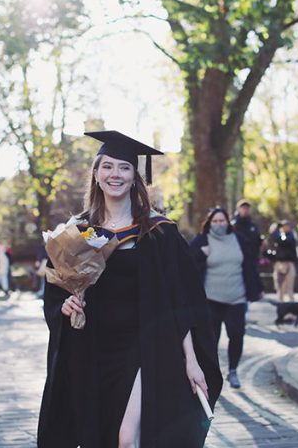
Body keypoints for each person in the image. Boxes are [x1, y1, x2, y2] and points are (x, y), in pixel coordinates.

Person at [38, 130, 222, 448]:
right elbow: (56, 292)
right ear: (96, 174)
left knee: (127, 439)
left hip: (146, 348)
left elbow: (182, 300)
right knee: (103, 438)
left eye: (124, 168)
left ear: (134, 177)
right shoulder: (77, 233)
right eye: (107, 166)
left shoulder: (158, 232)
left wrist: (191, 360)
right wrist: (65, 306)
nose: (115, 174)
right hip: (92, 350)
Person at [189, 207, 263, 390]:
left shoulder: (238, 240)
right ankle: (212, 374)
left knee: (237, 335)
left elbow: (249, 266)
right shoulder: (202, 240)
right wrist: (201, 254)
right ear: (209, 223)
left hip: (236, 298)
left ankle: (233, 370)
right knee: (211, 339)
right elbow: (187, 265)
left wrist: (256, 289)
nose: (219, 224)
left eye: (222, 221)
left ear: (228, 222)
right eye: (215, 221)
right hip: (210, 299)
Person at [268, 220, 298, 303]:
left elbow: (284, 241)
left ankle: (292, 310)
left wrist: (275, 231)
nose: (284, 228)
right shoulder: (279, 236)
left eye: (286, 226)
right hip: (279, 264)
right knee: (280, 288)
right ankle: (281, 309)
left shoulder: (291, 235)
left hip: (289, 264)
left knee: (289, 289)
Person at [232, 199, 263, 264]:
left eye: (247, 208)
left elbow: (258, 240)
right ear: (238, 209)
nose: (245, 210)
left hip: (252, 259)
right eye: (243, 208)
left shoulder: (253, 226)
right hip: (237, 260)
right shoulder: (233, 226)